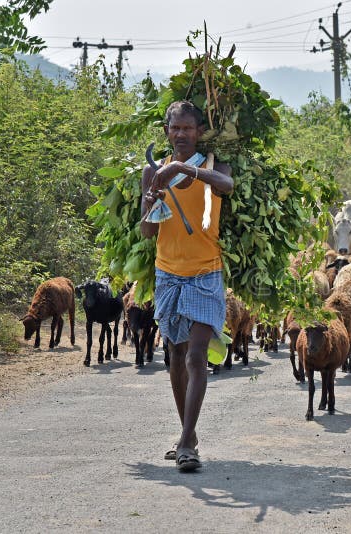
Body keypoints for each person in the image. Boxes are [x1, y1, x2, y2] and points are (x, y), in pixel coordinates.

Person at [140, 100, 234, 472]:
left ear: (199, 132)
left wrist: (183, 170)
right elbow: (147, 231)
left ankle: (184, 443)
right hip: (168, 274)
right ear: (166, 133)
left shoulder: (213, 167)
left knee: (196, 356)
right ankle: (188, 435)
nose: (181, 134)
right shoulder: (152, 173)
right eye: (174, 129)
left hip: (206, 274)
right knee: (175, 356)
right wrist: (151, 201)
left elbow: (226, 185)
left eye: (188, 128)